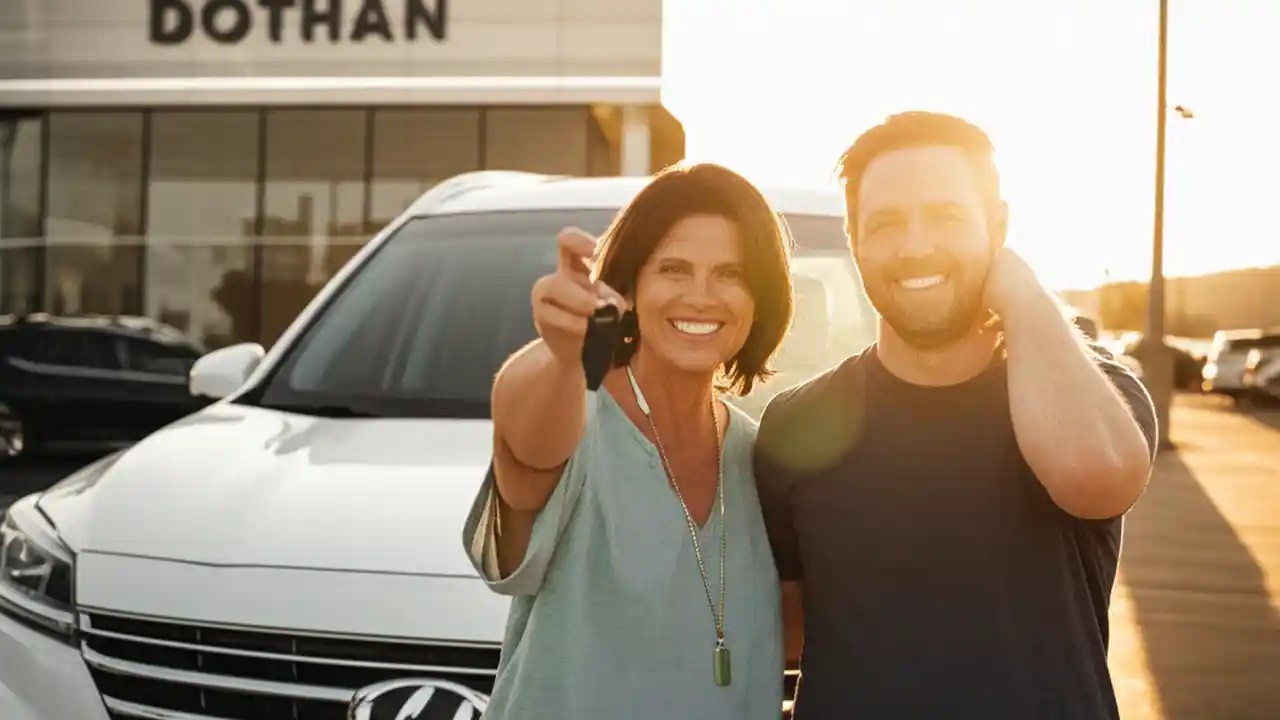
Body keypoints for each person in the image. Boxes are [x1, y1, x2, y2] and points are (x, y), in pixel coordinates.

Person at [754, 111, 1158, 719]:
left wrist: (1021, 291)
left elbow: (1096, 479)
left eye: (946, 216)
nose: (916, 246)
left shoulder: (1092, 389)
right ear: (853, 239)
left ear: (997, 227)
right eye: (886, 223)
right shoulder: (795, 425)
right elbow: (777, 628)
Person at [462, 162, 795, 719]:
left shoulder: (759, 456)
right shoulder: (579, 415)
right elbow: (523, 449)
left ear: (759, 297)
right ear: (631, 287)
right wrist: (564, 356)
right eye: (674, 268)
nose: (701, 296)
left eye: (731, 274)